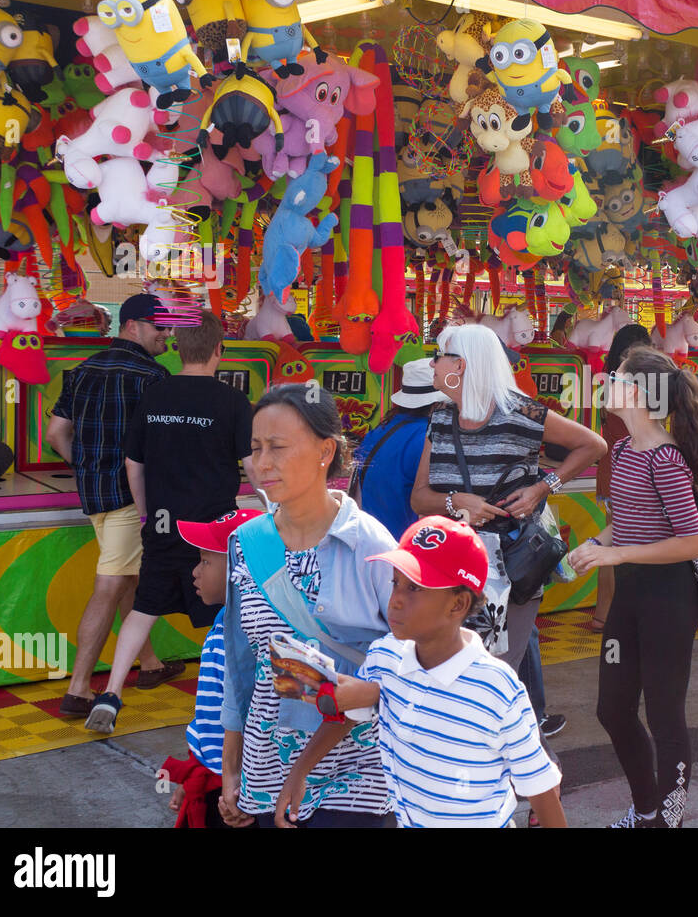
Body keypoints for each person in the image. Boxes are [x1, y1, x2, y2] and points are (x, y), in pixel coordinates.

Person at [275, 515, 567, 828]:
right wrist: (299, 771)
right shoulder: (384, 656)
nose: (396, 599)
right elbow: (353, 710)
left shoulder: (496, 687)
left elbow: (540, 789)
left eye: (415, 587)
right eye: (395, 582)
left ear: (457, 605)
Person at [219, 384, 398, 828]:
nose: (262, 464)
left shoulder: (369, 543)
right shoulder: (246, 543)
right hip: (267, 766)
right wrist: (231, 770)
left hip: (357, 771)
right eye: (256, 448)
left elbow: (408, 658)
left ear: (325, 452)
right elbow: (240, 667)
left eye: (277, 448)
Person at [569, 345, 698, 827]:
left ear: (636, 391)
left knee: (664, 715)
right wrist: (597, 543)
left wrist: (617, 554)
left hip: (668, 599)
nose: (606, 381)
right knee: (612, 709)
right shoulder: (622, 449)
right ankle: (647, 809)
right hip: (631, 597)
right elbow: (630, 522)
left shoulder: (666, 458)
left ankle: (664, 820)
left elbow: (691, 542)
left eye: (614, 375)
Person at [85, 312, 256, 733]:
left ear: (178, 346)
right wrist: (275, 510)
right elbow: (254, 466)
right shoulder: (232, 401)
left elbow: (133, 463)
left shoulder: (156, 394)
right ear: (220, 349)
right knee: (229, 612)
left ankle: (111, 695)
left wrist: (147, 512)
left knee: (145, 607)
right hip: (215, 530)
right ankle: (239, 700)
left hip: (162, 522)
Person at [410, 324, 606, 672]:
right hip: (449, 569)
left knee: (495, 673)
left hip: (511, 568)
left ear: (462, 365)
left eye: (439, 357)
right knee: (449, 671)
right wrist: (457, 502)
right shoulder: (439, 417)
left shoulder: (522, 412)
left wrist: (542, 489)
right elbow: (420, 499)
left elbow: (593, 445)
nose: (433, 365)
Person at [47, 294, 172, 718]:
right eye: (161, 329)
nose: (167, 337)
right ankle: (79, 688)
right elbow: (157, 448)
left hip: (94, 495)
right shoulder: (153, 378)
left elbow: (56, 434)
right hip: (130, 500)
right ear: (133, 325)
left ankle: (150, 663)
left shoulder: (81, 371)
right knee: (110, 585)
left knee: (124, 576)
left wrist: (84, 465)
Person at [159, 508, 264, 828]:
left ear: (241, 570)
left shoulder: (250, 638)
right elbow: (209, 715)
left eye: (206, 561)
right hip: (213, 779)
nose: (195, 572)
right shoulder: (221, 623)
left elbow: (258, 720)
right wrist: (193, 768)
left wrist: (247, 790)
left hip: (236, 790)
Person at [592, 322, 653, 630]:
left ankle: (606, 614)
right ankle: (610, 616)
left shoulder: (610, 383)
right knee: (620, 549)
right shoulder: (631, 387)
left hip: (614, 472)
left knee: (614, 545)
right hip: (627, 474)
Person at [350, 357, 440, 541]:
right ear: (438, 403)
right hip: (407, 549)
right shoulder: (428, 439)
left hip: (371, 544)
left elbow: (358, 495)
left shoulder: (377, 432)